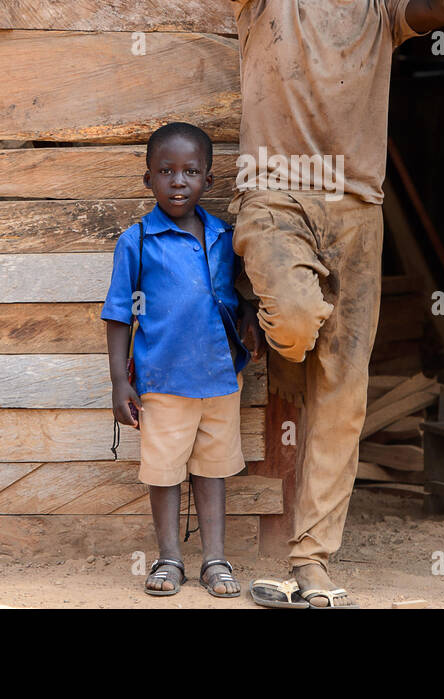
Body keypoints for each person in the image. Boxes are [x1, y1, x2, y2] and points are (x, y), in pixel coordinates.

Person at [192, 0, 444, 607]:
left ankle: (313, 560)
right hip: (275, 197)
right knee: (293, 315)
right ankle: (273, 331)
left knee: (343, 395)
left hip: (358, 214)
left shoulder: (385, 2)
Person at [101, 122, 264, 598]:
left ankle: (216, 560)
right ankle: (169, 558)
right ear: (147, 178)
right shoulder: (138, 241)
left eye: (190, 171)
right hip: (162, 381)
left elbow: (244, 294)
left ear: (208, 181)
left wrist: (251, 319)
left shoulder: (226, 237)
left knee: (213, 472)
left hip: (220, 379)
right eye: (166, 171)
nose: (178, 181)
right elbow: (118, 315)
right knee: (166, 473)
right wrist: (118, 383)